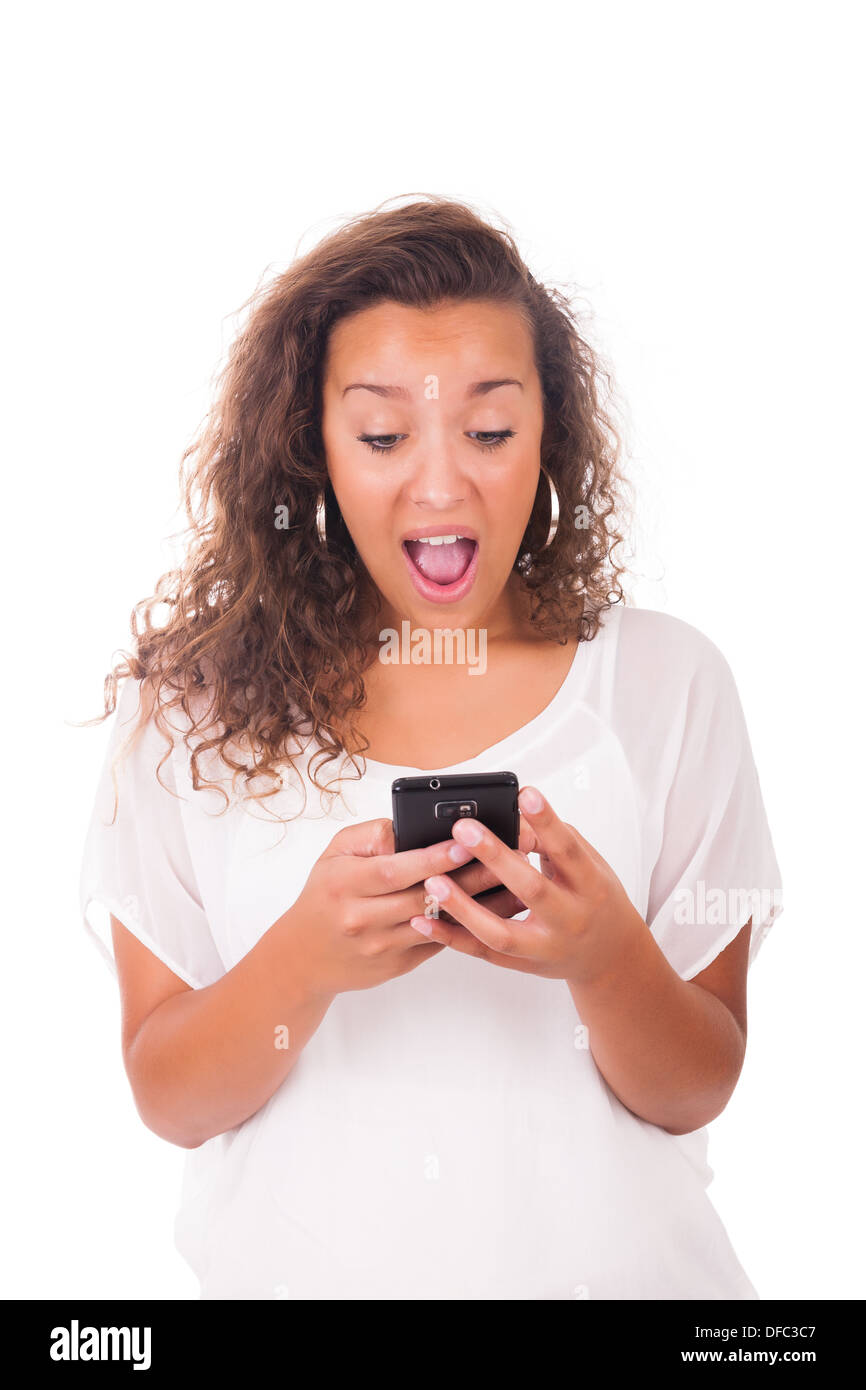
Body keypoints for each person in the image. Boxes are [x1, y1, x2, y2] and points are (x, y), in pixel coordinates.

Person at [79, 195, 783, 1300]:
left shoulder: (665, 684)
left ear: (549, 439)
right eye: (382, 436)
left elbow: (695, 1089)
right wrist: (302, 963)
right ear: (311, 448)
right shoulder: (190, 715)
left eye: (490, 432)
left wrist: (605, 959)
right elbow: (170, 1101)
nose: (443, 483)